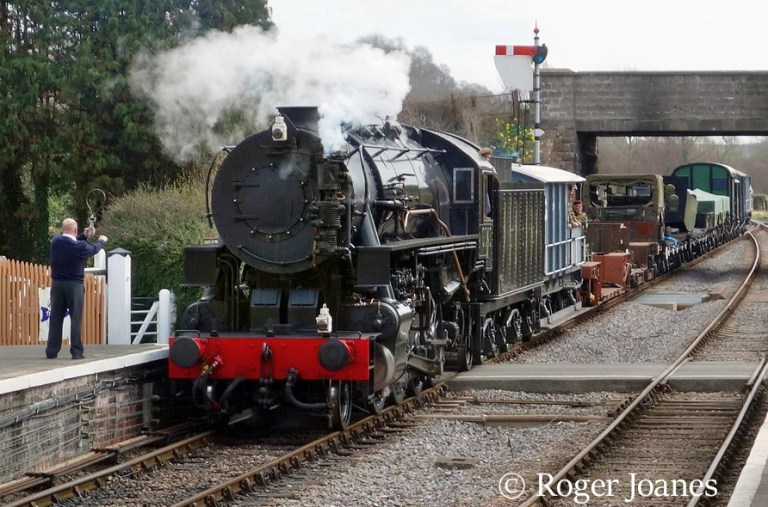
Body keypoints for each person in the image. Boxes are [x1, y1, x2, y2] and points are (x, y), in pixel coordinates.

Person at [46, 218, 108, 360]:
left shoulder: (55, 242)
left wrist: (83, 236)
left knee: (55, 319)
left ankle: (51, 351)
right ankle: (76, 351)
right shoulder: (79, 247)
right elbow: (93, 249)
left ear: (63, 229)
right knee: (75, 319)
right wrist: (102, 241)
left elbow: (70, 242)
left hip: (57, 285)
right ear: (75, 229)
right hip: (74, 286)